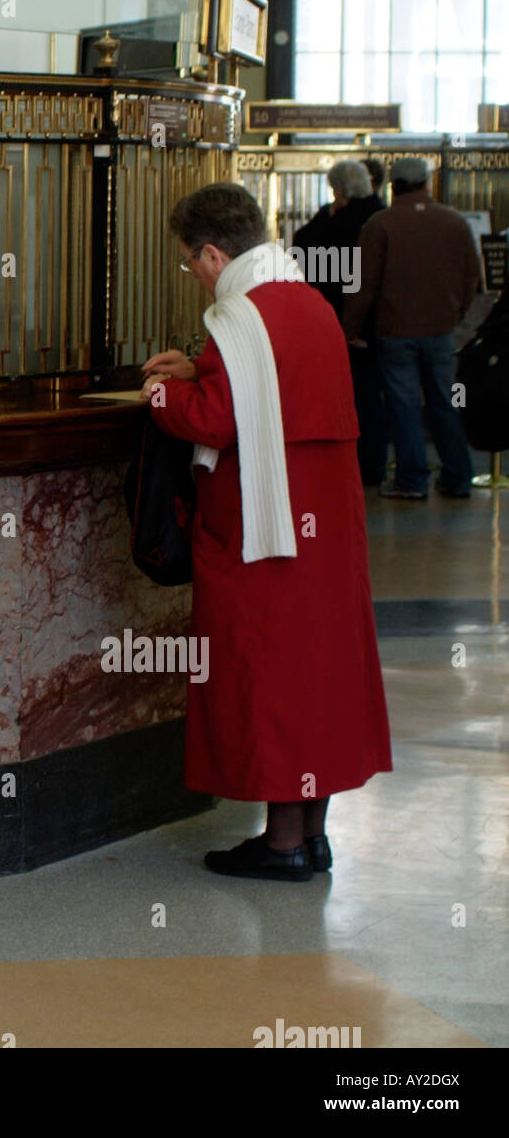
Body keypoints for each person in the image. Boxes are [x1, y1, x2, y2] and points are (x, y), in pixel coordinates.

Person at [141, 183, 392, 883]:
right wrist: (201, 369)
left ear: (214, 254)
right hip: (327, 528)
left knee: (272, 676)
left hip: (262, 533)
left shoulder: (239, 316)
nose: (192, 273)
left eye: (190, 261)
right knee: (320, 675)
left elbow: (215, 422)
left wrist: (163, 392)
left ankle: (281, 844)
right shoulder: (306, 300)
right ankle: (312, 836)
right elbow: (269, 386)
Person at [342, 156, 480, 499]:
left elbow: (363, 283)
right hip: (442, 330)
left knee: (402, 406)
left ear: (392, 185)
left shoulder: (380, 224)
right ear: (427, 183)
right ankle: (458, 476)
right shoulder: (455, 222)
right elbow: (471, 277)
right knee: (445, 402)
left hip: (395, 331)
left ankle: (412, 481)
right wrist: (457, 314)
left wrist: (351, 326)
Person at [292, 160, 388, 485]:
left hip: (344, 322)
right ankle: (378, 465)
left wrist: (326, 215)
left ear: (341, 190)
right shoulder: (381, 214)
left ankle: (356, 465)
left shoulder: (340, 221)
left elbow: (303, 245)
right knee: (375, 398)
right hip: (381, 322)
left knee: (353, 396)